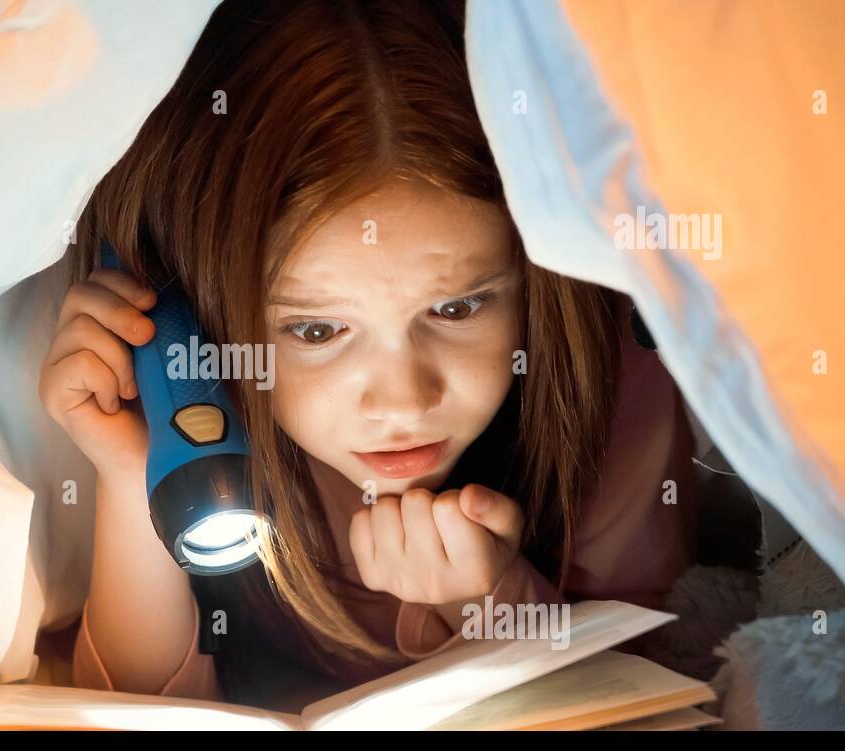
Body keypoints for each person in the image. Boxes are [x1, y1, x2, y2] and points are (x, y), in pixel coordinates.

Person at [38, 0, 696, 714]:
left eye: (456, 308)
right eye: (318, 331)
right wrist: (143, 473)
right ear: (195, 319)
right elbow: (132, 708)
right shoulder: (210, 397)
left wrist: (491, 597)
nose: (404, 403)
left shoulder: (616, 393)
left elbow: (653, 696)